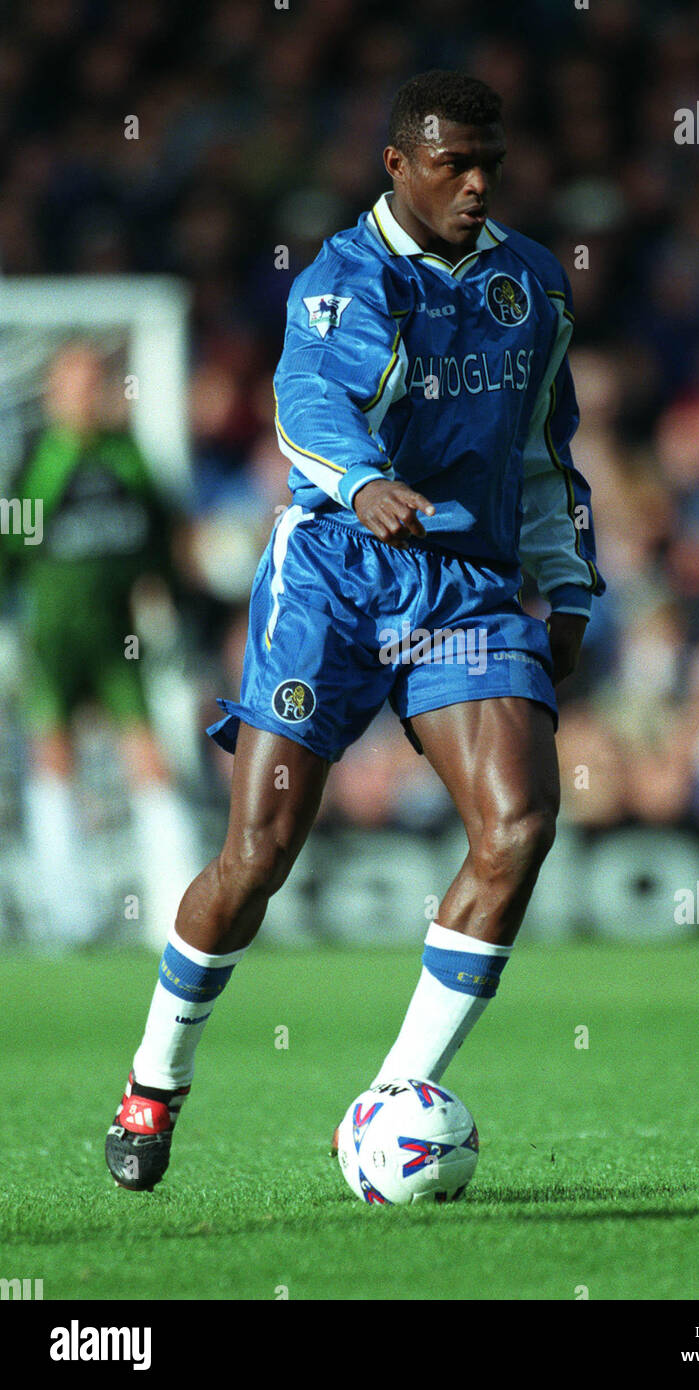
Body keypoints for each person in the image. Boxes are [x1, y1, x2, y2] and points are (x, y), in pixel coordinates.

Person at [105, 70, 604, 1193]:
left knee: (518, 826)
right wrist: (362, 478)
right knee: (259, 856)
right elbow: (307, 404)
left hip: (462, 582)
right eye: (450, 166)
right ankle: (154, 1075)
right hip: (335, 573)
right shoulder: (343, 278)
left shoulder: (530, 285)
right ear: (397, 165)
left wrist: (566, 587)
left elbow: (541, 453)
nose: (475, 187)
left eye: (490, 166)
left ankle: (386, 1103)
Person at [1, 341, 198, 949]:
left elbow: (166, 544)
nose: (87, 394)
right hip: (54, 640)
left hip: (120, 640)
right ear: (55, 393)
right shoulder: (37, 458)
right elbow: (10, 548)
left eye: (96, 381)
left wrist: (169, 610)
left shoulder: (129, 457)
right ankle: (67, 913)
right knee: (53, 758)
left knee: (149, 759)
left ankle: (180, 907)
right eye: (75, 383)